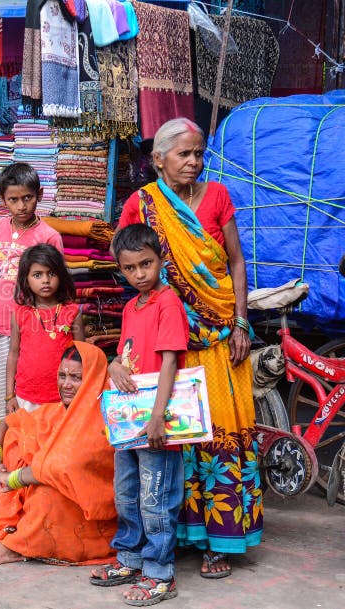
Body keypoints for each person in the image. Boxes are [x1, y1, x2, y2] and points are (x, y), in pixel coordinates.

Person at [117, 117, 262, 578]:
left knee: (221, 434)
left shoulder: (218, 196)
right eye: (184, 154)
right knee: (175, 437)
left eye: (199, 153)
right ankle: (176, 537)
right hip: (167, 344)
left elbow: (235, 262)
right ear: (158, 159)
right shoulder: (141, 205)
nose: (194, 162)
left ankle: (221, 541)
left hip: (220, 339)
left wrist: (241, 321)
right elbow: (132, 274)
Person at [89, 224, 188, 605]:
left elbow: (168, 363)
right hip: (128, 420)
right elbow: (127, 355)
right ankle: (130, 559)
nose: (140, 274)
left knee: (156, 497)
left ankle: (161, 573)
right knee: (127, 494)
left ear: (160, 259)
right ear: (120, 269)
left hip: (153, 420)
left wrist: (158, 417)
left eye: (146, 264)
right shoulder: (132, 307)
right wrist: (114, 365)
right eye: (130, 268)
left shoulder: (168, 303)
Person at [0, 341, 117, 566]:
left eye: (76, 378)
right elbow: (7, 424)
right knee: (15, 441)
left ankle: (18, 547)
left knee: (48, 492)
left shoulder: (102, 421)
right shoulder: (56, 411)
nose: (66, 385)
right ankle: (19, 525)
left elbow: (60, 468)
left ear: (93, 380)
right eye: (62, 376)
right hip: (51, 483)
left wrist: (12, 479)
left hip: (86, 510)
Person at [0, 163, 63, 422]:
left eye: (27, 198)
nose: (21, 206)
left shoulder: (49, 236)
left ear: (40, 193)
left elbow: (56, 290)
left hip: (30, 329)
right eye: (13, 200)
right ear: (2, 199)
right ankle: (2, 454)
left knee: (27, 398)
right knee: (1, 402)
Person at [6, 244, 84, 413]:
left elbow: (83, 356)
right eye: (37, 275)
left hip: (63, 396)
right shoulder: (20, 313)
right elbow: (13, 353)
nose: (46, 280)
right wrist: (9, 396)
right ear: (25, 279)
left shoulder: (72, 312)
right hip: (26, 397)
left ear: (61, 276)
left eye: (51, 273)